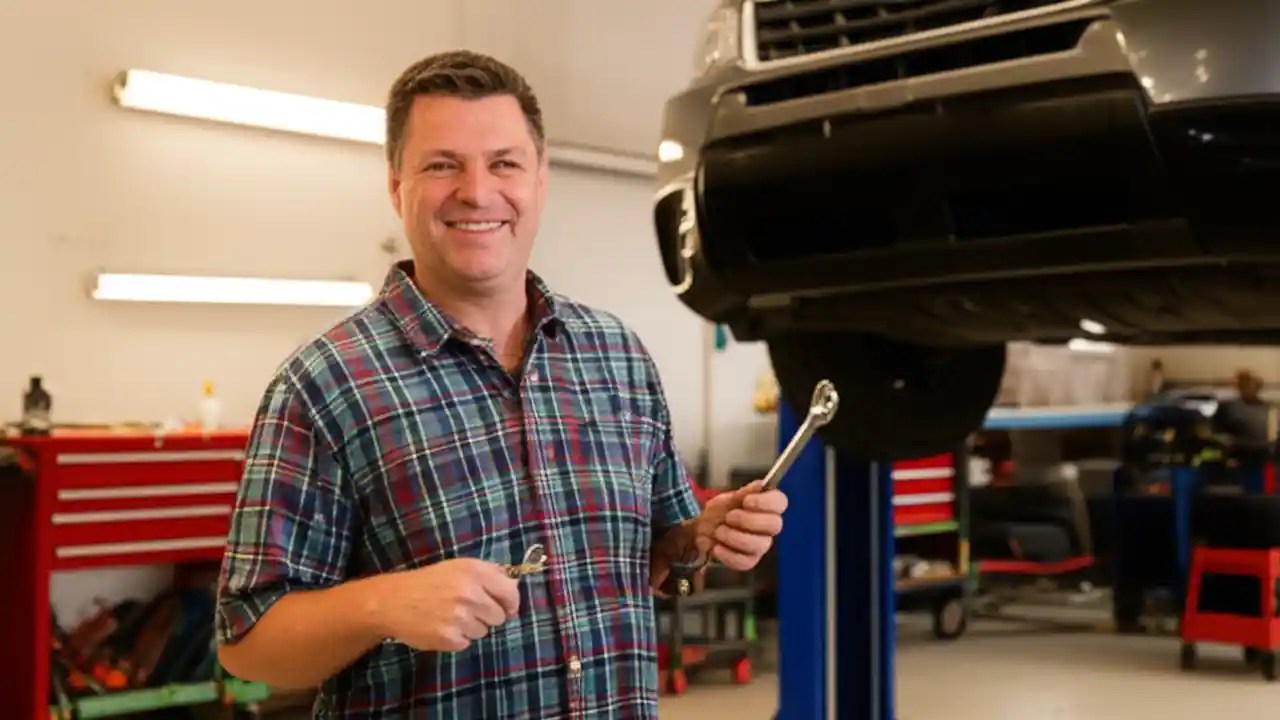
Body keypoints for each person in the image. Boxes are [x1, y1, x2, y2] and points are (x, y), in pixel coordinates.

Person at [214, 50, 788, 718]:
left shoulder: (618, 357)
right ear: (396, 184)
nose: (477, 191)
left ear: (540, 180)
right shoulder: (327, 385)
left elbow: (659, 556)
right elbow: (247, 642)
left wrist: (701, 536)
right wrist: (383, 605)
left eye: (504, 163)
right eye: (442, 164)